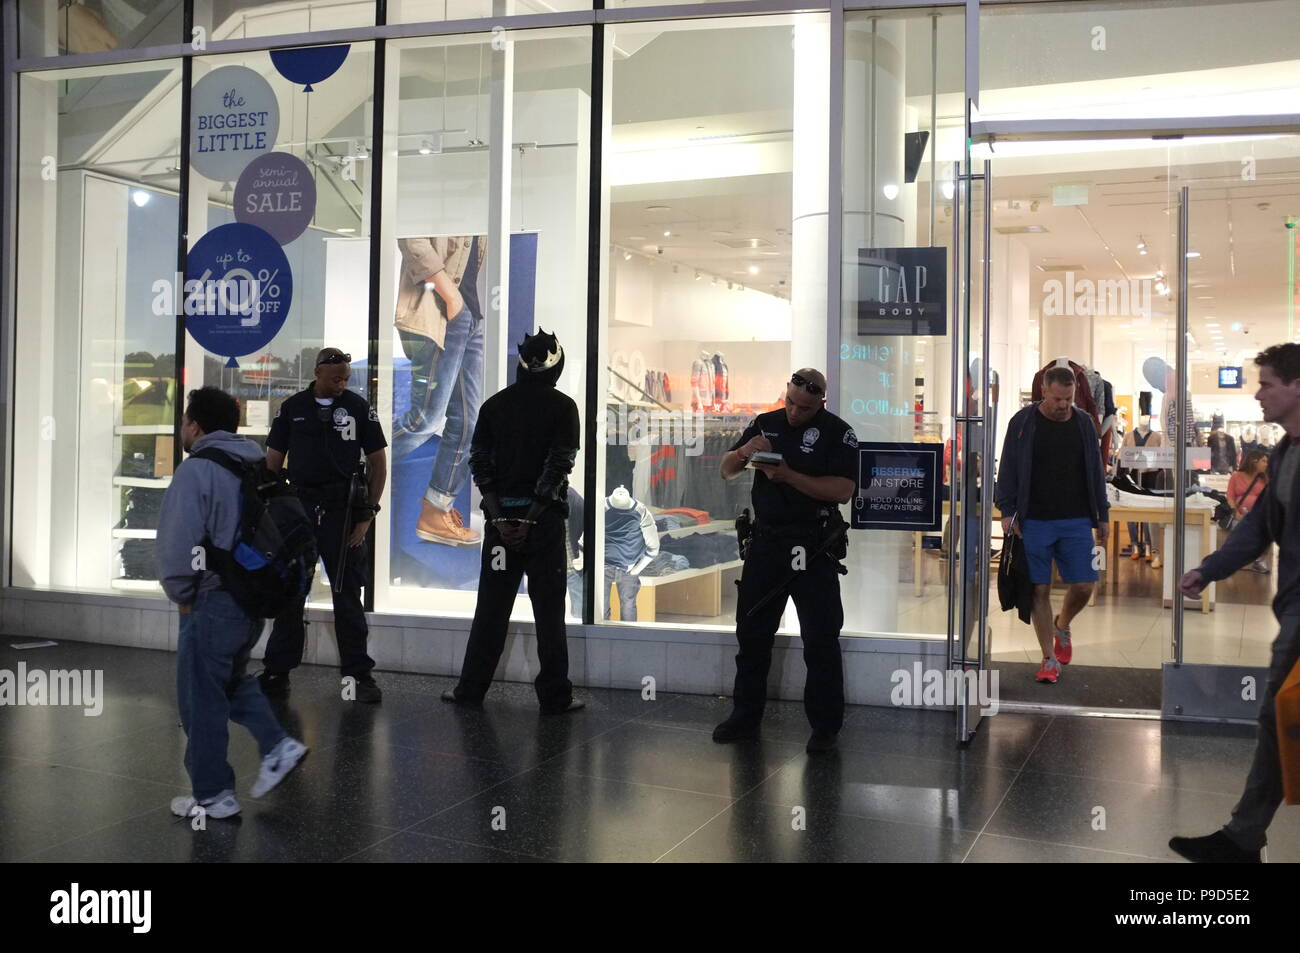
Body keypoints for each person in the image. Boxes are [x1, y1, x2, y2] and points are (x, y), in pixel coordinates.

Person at [1171, 345, 1300, 863]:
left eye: (1267, 383)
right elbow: (1260, 527)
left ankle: (1244, 836)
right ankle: (1244, 836)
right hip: (1293, 606)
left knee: (1278, 715)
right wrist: (1209, 570)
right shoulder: (1287, 451)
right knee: (1278, 717)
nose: (1257, 393)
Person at [157, 387, 308, 820]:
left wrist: (181, 594)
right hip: (250, 599)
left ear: (195, 425)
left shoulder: (197, 470)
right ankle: (278, 746)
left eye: (186, 420)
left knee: (199, 698)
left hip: (210, 599)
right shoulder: (255, 462)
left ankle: (212, 796)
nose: (184, 427)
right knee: (230, 681)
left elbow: (177, 544)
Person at [712, 368, 857, 754]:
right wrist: (744, 451)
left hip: (814, 546)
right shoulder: (765, 423)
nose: (794, 412)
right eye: (790, 402)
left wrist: (790, 476)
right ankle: (745, 716)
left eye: (805, 407)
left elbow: (843, 490)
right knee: (753, 635)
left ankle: (825, 727)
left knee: (820, 639)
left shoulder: (838, 433)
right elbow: (726, 471)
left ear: (821, 402)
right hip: (767, 545)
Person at [442, 329, 584, 713]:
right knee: (549, 613)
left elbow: (480, 463)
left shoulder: (495, 405)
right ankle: (555, 697)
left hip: (501, 527)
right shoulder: (563, 407)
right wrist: (532, 519)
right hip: (544, 526)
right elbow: (558, 465)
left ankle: (470, 690)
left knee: (491, 609)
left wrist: (501, 518)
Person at [258, 348, 388, 704]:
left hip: (344, 511)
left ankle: (359, 676)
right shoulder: (293, 408)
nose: (342, 383)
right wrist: (271, 511)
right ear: (317, 373)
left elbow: (378, 462)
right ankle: (277, 671)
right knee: (291, 593)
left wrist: (368, 514)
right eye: (335, 378)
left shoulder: (359, 408)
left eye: (346, 378)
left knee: (347, 596)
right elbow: (272, 461)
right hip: (299, 510)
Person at [994, 365, 1110, 683]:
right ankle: (1048, 658)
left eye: (1069, 399)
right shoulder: (1023, 422)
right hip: (1035, 520)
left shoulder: (1084, 423)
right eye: (1058, 399)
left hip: (1075, 519)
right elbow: (1009, 467)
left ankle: (1063, 623)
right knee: (1039, 589)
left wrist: (1102, 514)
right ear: (1044, 392)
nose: (1063, 405)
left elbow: (1095, 471)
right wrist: (1006, 510)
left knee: (1085, 584)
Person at [393, 236, 485, 546]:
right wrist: (451, 296)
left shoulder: (477, 196)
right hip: (438, 310)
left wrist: (463, 307)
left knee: (468, 422)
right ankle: (349, 464)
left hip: (468, 315)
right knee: (426, 419)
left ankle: (436, 510)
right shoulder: (440, 194)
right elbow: (410, 237)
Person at [1228, 450, 1270, 574]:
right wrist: (1235, 511)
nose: (1266, 464)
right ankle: (1234, 560)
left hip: (1260, 515)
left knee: (1266, 535)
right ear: (1254, 461)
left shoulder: (1265, 479)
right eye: (1263, 461)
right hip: (1240, 513)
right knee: (1237, 537)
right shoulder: (1236, 476)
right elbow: (1230, 496)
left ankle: (1259, 561)